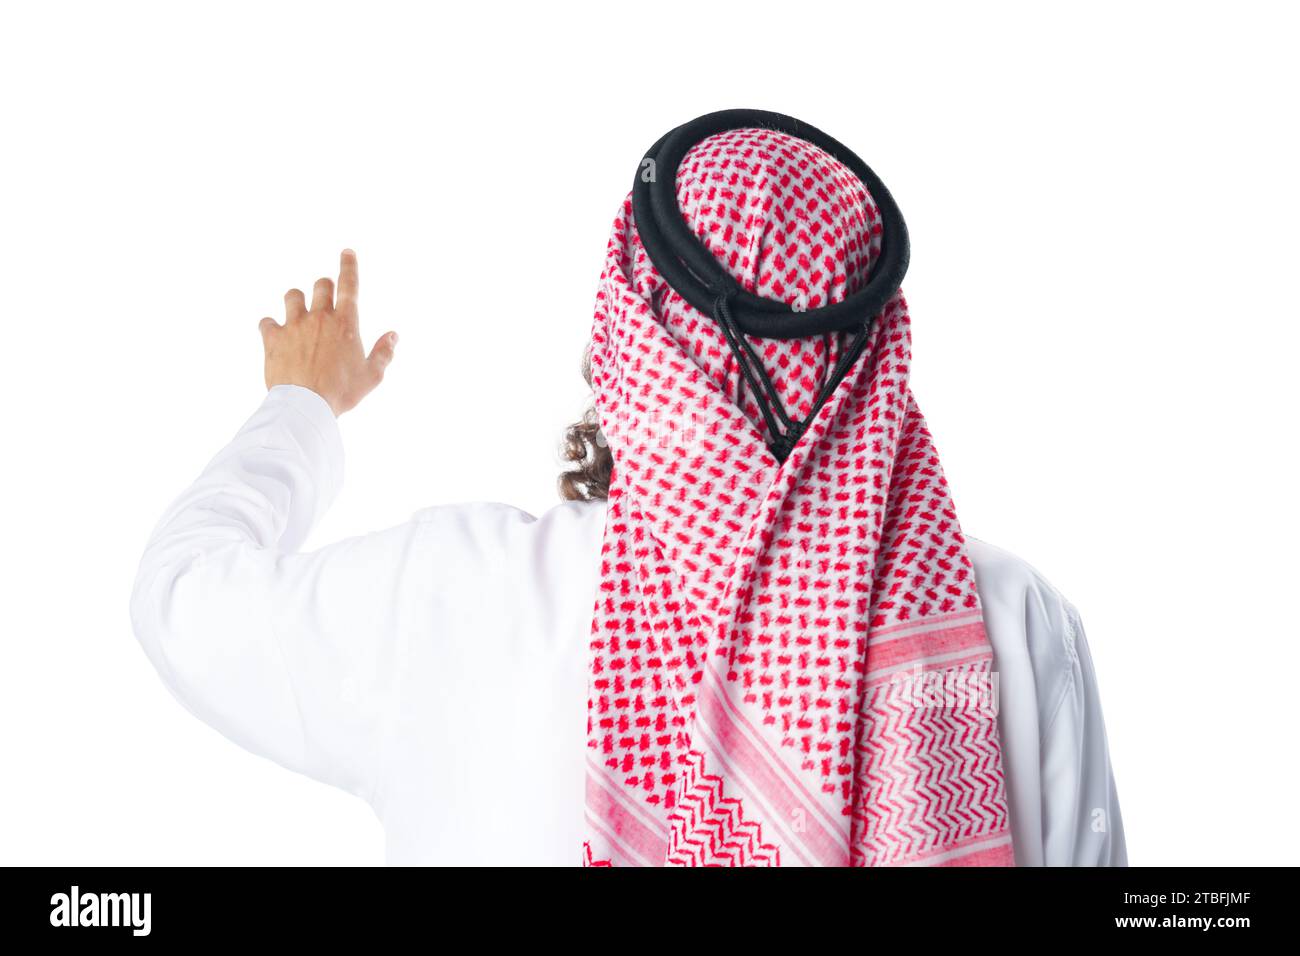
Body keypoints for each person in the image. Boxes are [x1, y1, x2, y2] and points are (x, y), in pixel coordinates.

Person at [131, 126, 1126, 866]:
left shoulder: (450, 597)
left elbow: (180, 596)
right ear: (870, 356)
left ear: (626, 334)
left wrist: (302, 404)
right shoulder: (1011, 622)